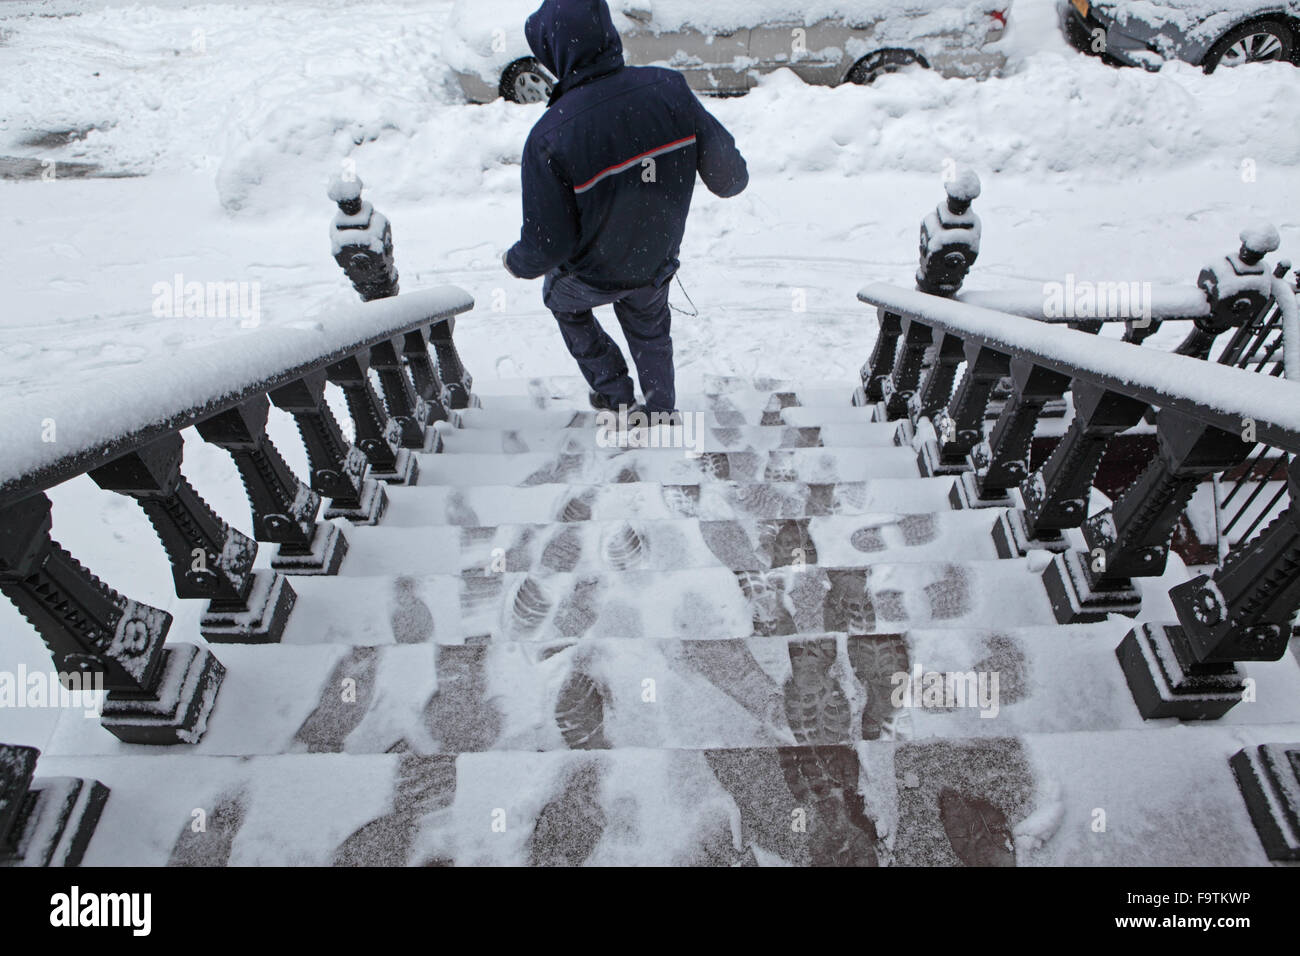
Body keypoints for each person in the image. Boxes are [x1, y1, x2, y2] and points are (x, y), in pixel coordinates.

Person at [503, 0, 749, 419]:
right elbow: (731, 178)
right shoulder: (668, 89)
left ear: (553, 50)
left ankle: (615, 395)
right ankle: (661, 409)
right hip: (653, 263)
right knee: (649, 327)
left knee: (561, 302)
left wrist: (515, 262)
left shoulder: (549, 136)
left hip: (591, 276)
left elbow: (549, 246)